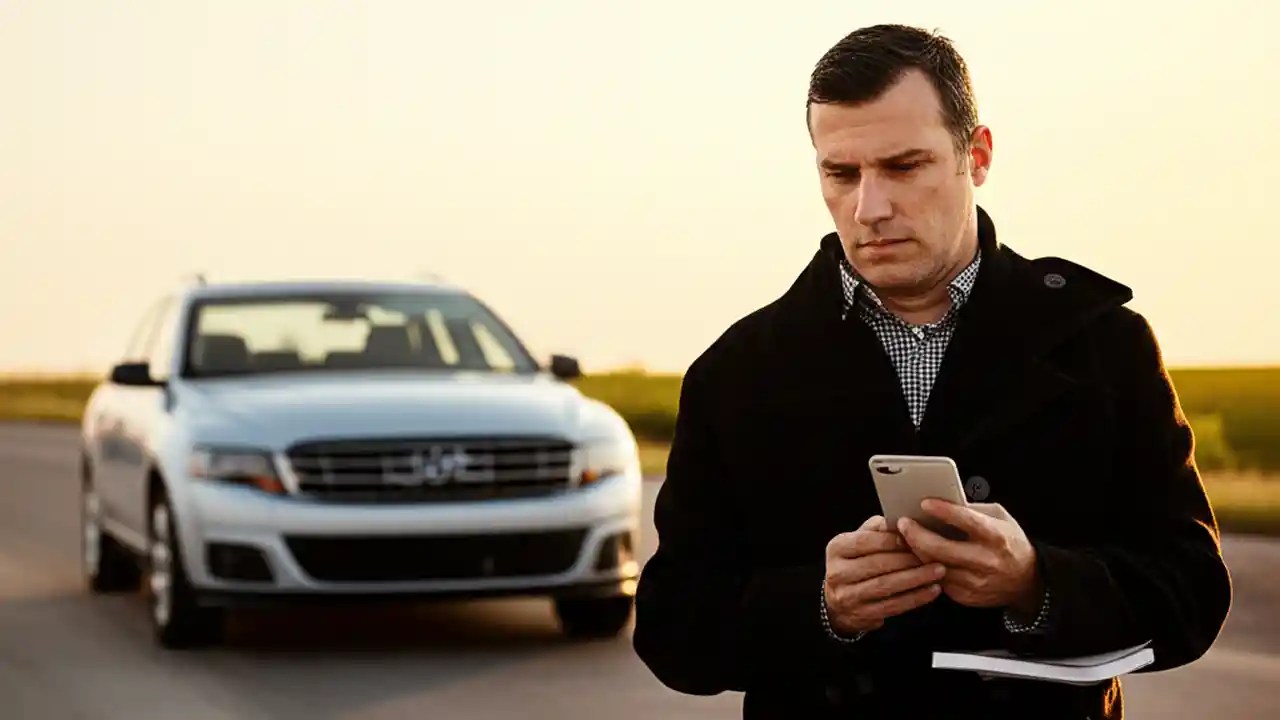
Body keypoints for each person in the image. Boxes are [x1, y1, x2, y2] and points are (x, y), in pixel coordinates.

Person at [631, 23, 1232, 720]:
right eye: (842, 173)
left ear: (975, 155)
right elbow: (671, 631)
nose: (870, 208)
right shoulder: (735, 373)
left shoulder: (1104, 347)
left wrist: (1037, 582)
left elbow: (1193, 595)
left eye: (904, 166)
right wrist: (820, 608)